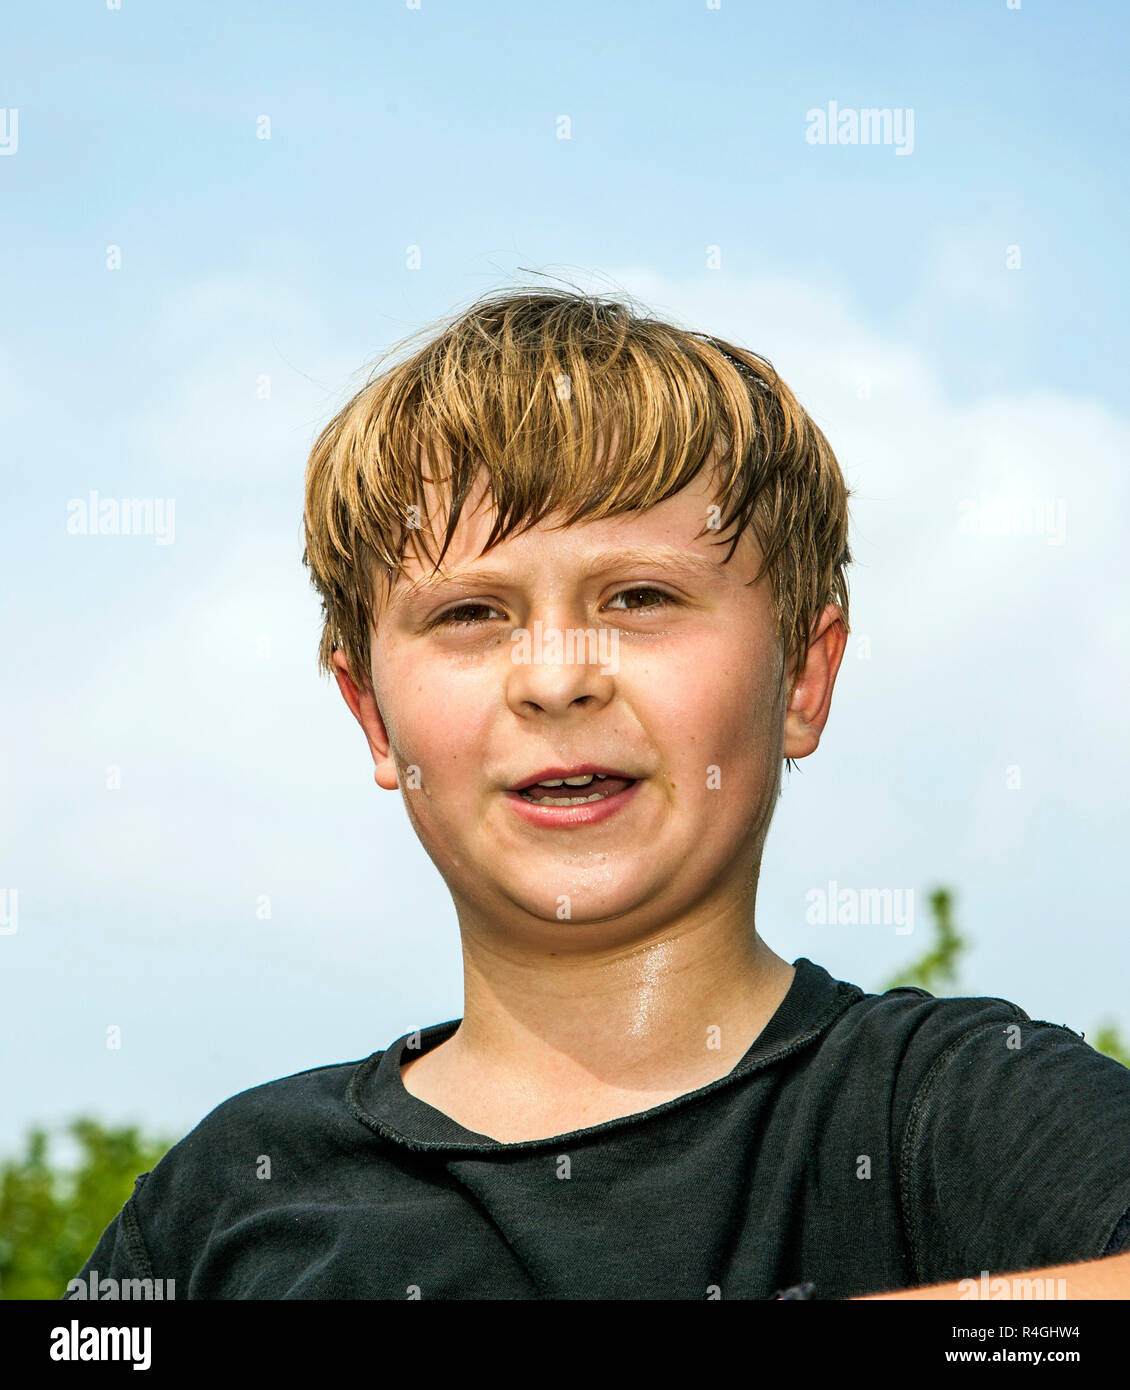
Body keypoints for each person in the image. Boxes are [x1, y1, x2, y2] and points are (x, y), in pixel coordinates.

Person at [65, 288, 1130, 1300]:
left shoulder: (954, 1109)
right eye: (471, 614)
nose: (555, 674)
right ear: (373, 717)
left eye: (637, 597)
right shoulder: (226, 1195)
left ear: (800, 679)